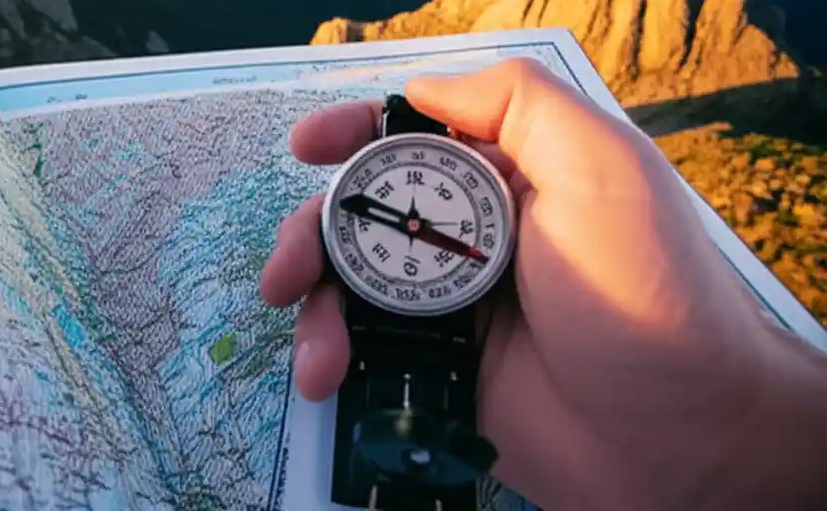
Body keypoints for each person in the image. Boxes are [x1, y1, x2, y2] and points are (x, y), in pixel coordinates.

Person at [258, 58, 827, 511]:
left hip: (468, 314)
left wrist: (735, 415)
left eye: (420, 222)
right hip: (426, 314)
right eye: (408, 222)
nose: (413, 225)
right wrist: (739, 431)